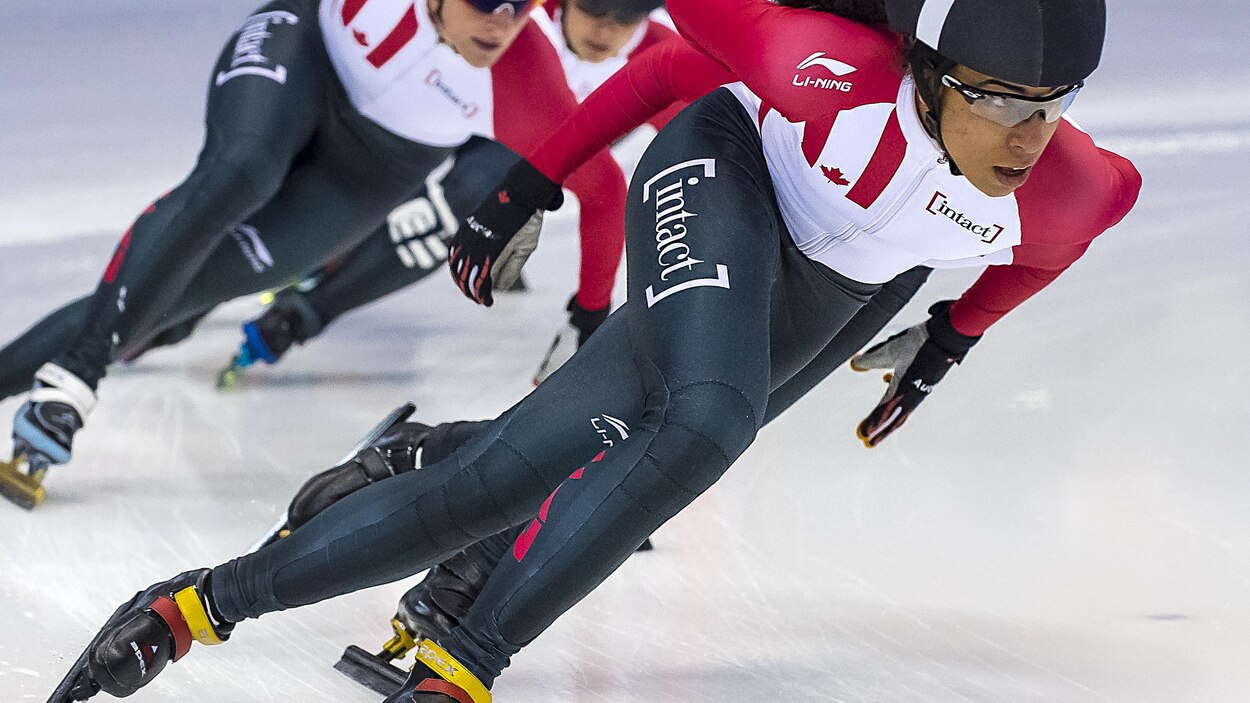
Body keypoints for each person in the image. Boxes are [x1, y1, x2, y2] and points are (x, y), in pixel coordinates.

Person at [51, 0, 1141, 701]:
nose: (1026, 134)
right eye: (997, 98)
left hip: (842, 282)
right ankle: (458, 669)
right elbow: (665, 64)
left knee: (522, 474)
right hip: (724, 177)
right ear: (927, 71)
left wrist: (946, 339)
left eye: (1052, 106)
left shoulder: (1073, 188)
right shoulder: (824, 63)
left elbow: (1045, 253)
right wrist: (534, 176)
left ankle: (192, 598)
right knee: (704, 422)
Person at [0, 0, 625, 504]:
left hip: (367, 170)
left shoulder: (526, 80)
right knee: (240, 172)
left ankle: (87, 355)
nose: (500, 22)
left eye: (520, 6)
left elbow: (605, 193)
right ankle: (77, 375)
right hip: (303, 56)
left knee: (186, 288)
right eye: (484, 1)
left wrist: (588, 315)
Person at [218, 0, 681, 389]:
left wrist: (590, 316)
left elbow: (661, 176)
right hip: (447, 113)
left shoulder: (658, 57)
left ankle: (301, 314)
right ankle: (237, 268)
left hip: (510, 154)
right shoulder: (513, 16)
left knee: (462, 203)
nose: (605, 28)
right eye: (594, 6)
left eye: (627, 17)